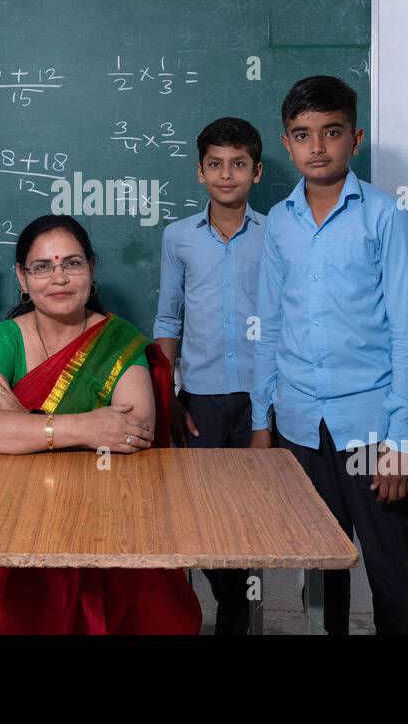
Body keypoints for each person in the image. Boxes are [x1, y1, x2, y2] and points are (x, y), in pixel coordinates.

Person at [0, 215, 202, 634]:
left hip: (109, 517)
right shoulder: (4, 338)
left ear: (92, 270)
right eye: (42, 267)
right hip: (13, 517)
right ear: (22, 278)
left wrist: (19, 422)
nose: (59, 277)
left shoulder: (119, 340)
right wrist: (83, 428)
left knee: (150, 607)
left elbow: (132, 429)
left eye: (72, 263)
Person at [251, 75, 408, 635]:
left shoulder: (386, 217)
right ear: (287, 142)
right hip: (302, 426)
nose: (318, 147)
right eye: (303, 135)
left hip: (372, 428)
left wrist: (403, 442)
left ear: (355, 139)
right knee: (322, 570)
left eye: (332, 133)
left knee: (389, 568)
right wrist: (263, 422)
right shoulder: (279, 223)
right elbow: (269, 327)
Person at [153, 116, 265, 634]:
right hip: (199, 399)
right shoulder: (178, 237)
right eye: (216, 165)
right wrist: (167, 395)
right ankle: (215, 607)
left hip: (262, 398)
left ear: (257, 172)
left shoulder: (277, 233)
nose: (227, 175)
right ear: (200, 172)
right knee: (200, 516)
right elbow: (168, 316)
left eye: (238, 165)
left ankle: (236, 620)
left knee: (249, 516)